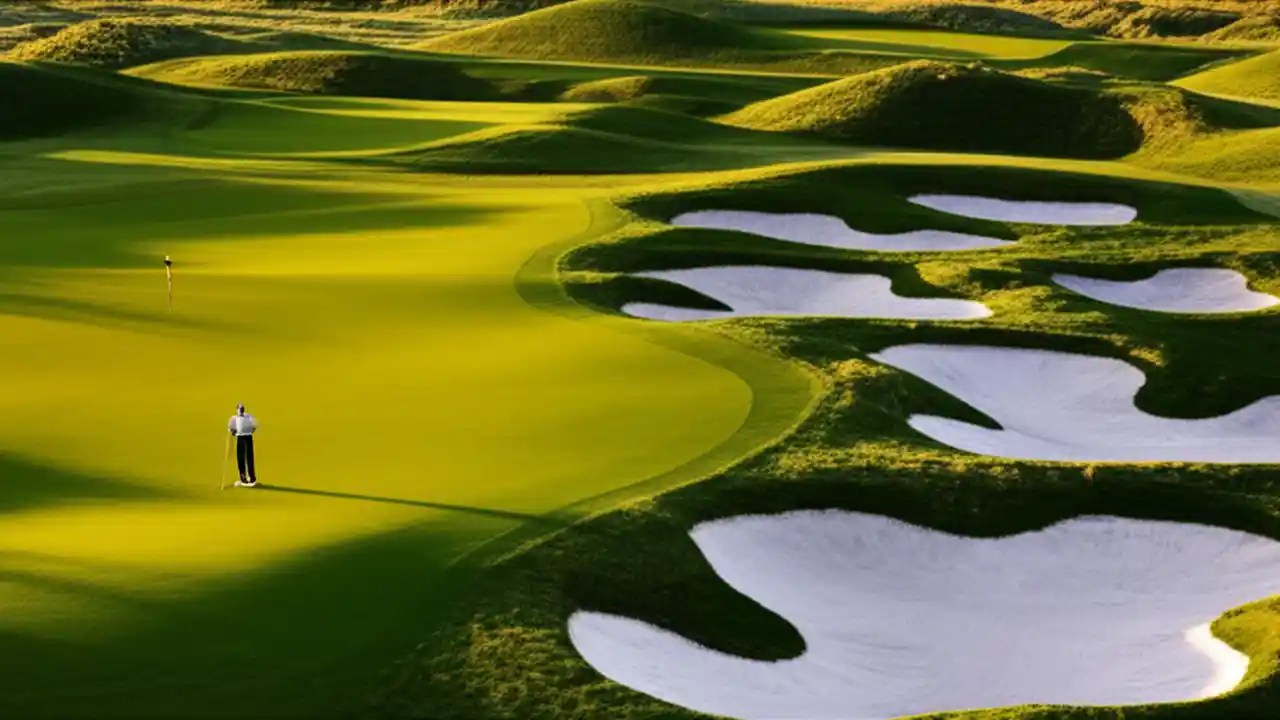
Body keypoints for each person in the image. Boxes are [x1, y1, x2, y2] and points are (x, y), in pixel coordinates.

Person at [228, 403, 259, 487]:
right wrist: (233, 431)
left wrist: (249, 431)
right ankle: (243, 478)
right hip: (240, 438)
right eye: (240, 409)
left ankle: (252, 478)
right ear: (237, 410)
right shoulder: (234, 418)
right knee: (240, 457)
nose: (241, 410)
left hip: (248, 437)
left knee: (249, 457)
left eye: (242, 408)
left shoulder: (249, 417)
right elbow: (231, 428)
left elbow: (254, 426)